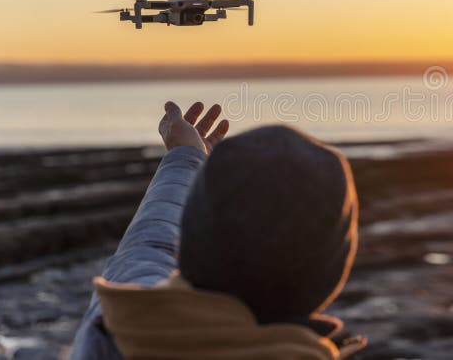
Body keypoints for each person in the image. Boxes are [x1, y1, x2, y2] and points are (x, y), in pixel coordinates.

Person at [68, 101, 365, 359]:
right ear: (332, 274)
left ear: (190, 242)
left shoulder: (117, 322)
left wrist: (185, 157)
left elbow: (149, 244)